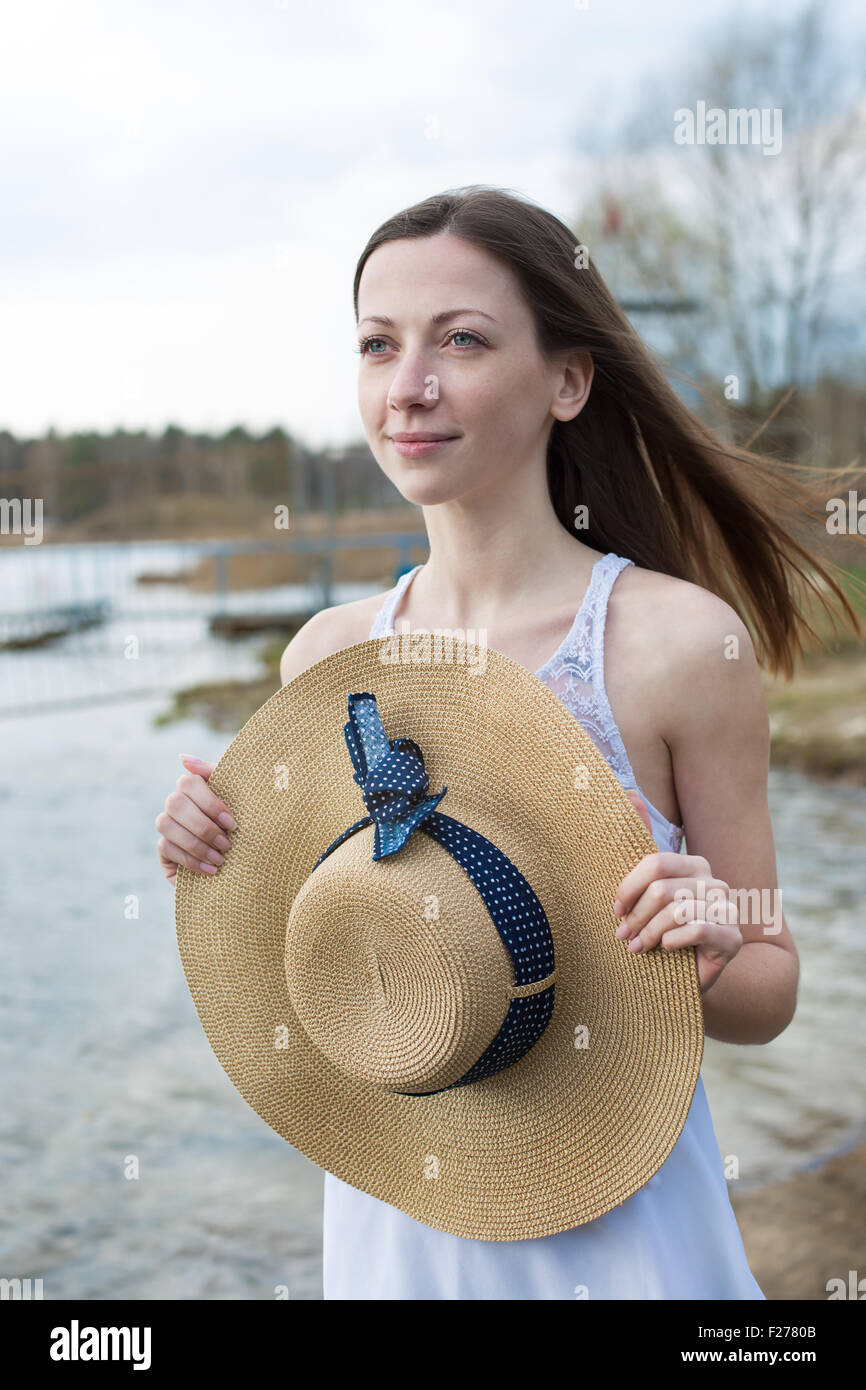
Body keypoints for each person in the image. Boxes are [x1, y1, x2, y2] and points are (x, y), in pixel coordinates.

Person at [156, 185, 864, 1299]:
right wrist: (214, 850)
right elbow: (330, 955)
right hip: (397, 1219)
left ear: (567, 381)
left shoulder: (673, 646)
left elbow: (766, 989)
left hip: (625, 1228)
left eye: (462, 341)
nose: (408, 388)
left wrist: (717, 940)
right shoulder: (326, 660)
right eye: (377, 345)